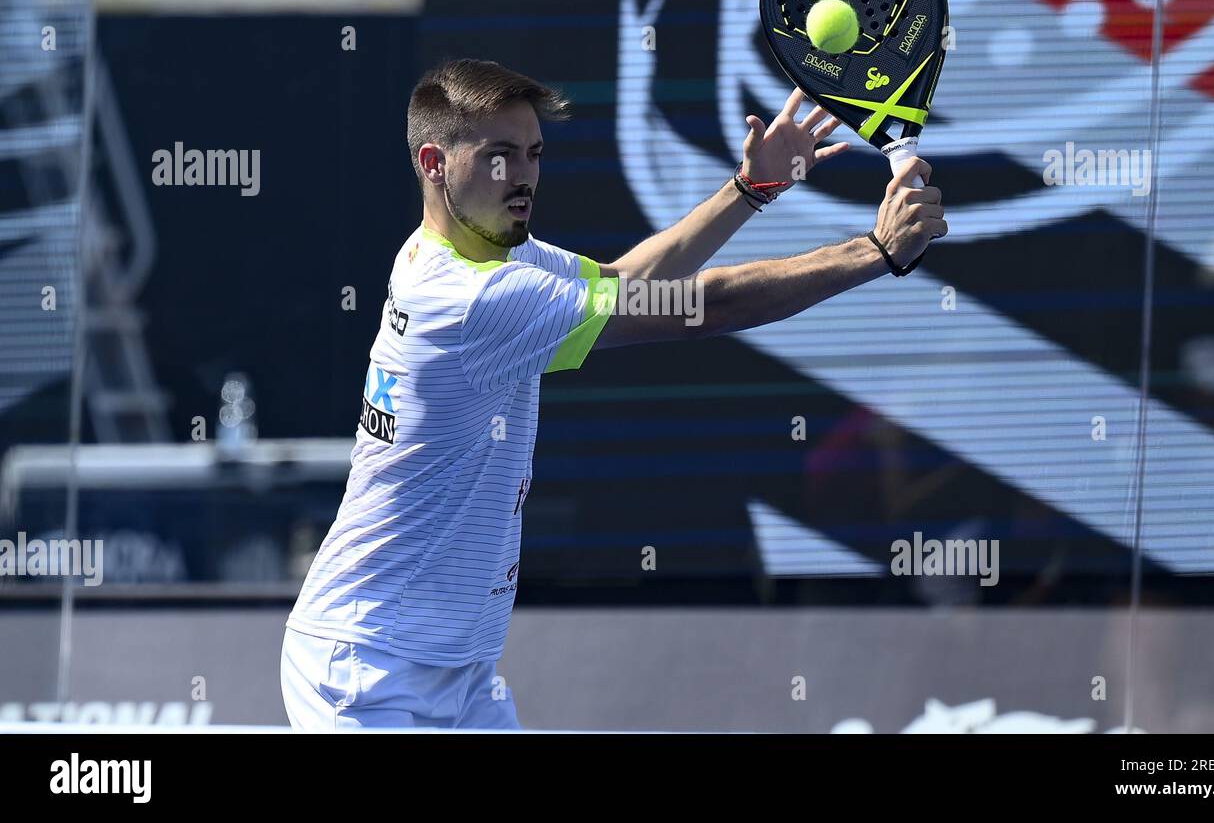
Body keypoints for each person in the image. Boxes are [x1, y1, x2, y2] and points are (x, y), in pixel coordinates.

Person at [280, 58, 946, 730]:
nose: (526, 178)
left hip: (457, 670)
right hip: (369, 668)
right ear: (434, 161)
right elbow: (697, 306)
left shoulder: (488, 254)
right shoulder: (470, 301)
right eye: (500, 157)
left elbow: (629, 276)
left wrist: (750, 188)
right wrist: (874, 251)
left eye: (534, 154)